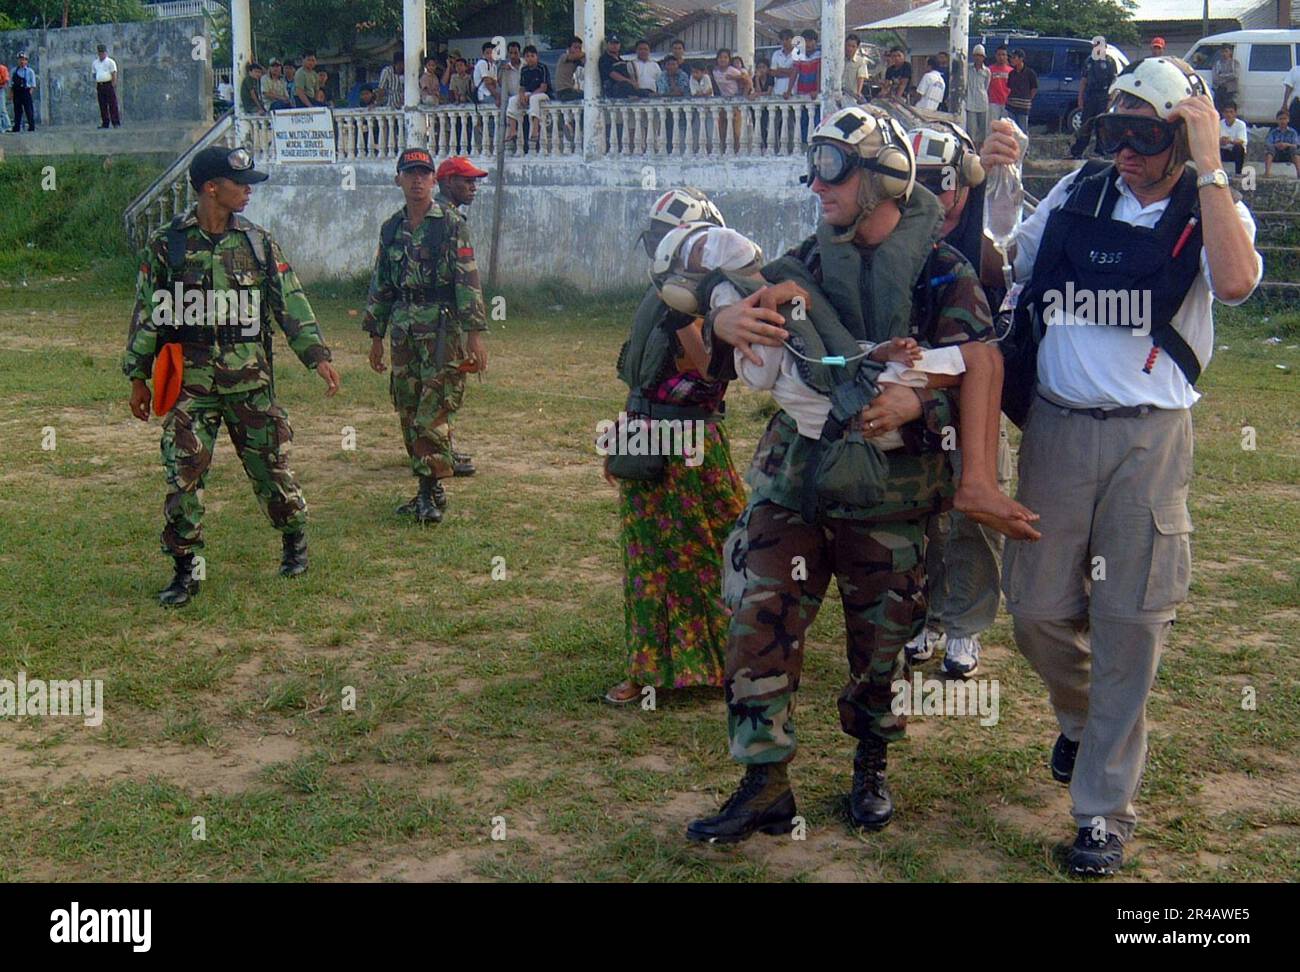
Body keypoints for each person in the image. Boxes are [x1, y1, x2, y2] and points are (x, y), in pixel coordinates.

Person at [980, 57, 1262, 876]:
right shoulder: (1079, 193)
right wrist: (996, 184)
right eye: (1114, 134)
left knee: (1130, 624)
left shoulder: (1209, 204)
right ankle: (1083, 723)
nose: (1126, 152)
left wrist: (1210, 165)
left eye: (1143, 136)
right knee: (1034, 608)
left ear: (1180, 133)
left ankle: (1102, 809)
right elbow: (1007, 264)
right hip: (1060, 430)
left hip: (1151, 437)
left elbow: (1238, 283)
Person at [685, 106, 998, 843]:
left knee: (880, 644)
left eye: (835, 169)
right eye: (814, 167)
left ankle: (871, 763)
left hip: (891, 491)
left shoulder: (943, 273)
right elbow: (730, 314)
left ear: (885, 177)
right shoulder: (806, 263)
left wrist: (915, 404)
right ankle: (765, 783)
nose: (816, 185)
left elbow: (977, 380)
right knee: (757, 614)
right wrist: (721, 323)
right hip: (795, 475)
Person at [123, 146, 341, 606]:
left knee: (271, 468)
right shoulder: (169, 244)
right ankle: (186, 569)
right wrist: (139, 376)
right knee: (183, 472)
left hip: (249, 381)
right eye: (239, 182)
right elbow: (148, 312)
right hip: (191, 384)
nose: (248, 190)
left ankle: (294, 541)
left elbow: (289, 301)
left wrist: (317, 355)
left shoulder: (258, 242)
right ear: (210, 188)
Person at [602, 190, 746, 706]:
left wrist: (696, 317)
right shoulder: (662, 297)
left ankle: (727, 658)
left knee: (701, 554)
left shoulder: (702, 302)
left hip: (688, 444)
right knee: (658, 560)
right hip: (657, 435)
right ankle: (661, 666)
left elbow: (709, 368)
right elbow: (642, 380)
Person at [905, 122, 1027, 676]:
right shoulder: (895, 239)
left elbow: (1008, 231)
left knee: (971, 514)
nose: (928, 194)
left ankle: (966, 626)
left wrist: (1003, 173)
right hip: (915, 392)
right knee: (916, 512)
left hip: (972, 394)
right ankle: (922, 618)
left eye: (939, 181)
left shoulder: (983, 239)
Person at [363, 152, 489, 524]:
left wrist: (475, 336)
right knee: (407, 405)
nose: (417, 181)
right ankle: (430, 488)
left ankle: (427, 492)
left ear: (433, 180)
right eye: (409, 174)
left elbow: (468, 280)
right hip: (403, 327)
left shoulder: (450, 224)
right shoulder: (391, 228)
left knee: (433, 408)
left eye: (423, 174)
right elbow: (381, 282)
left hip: (441, 328)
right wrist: (375, 333)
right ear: (398, 179)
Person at [1070, 36, 1117, 159]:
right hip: (1090, 96)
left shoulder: (1110, 62)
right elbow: (1083, 81)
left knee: (1101, 125)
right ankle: (1077, 151)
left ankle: (1100, 151)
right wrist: (1080, 98)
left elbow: (1114, 83)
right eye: (1095, 46)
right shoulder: (1089, 61)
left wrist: (1110, 100)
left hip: (1103, 96)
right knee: (1085, 124)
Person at [507, 45, 551, 152]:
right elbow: (522, 87)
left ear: (537, 57)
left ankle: (535, 129)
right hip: (528, 93)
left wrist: (530, 96)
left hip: (542, 94)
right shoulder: (524, 69)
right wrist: (522, 96)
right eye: (527, 56)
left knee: (534, 99)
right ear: (524, 58)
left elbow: (543, 87)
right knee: (512, 100)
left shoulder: (542, 67)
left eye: (532, 56)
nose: (530, 58)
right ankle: (512, 130)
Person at [1006, 49, 1036, 134]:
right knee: (1012, 131)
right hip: (1011, 106)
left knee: (1022, 131)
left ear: (1021, 59)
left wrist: (1028, 99)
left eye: (1014, 57)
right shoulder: (1011, 73)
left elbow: (1034, 88)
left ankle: (1023, 147)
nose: (1011, 60)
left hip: (1023, 107)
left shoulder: (1030, 73)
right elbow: (1009, 87)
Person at [599, 34, 638, 99]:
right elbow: (613, 74)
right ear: (607, 45)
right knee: (624, 85)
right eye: (612, 43)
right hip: (613, 89)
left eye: (617, 43)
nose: (614, 46)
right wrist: (630, 82)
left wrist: (634, 83)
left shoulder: (621, 60)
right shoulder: (604, 59)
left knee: (646, 92)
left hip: (626, 87)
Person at [1265, 109, 1300, 177]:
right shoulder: (1273, 132)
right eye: (1280, 119)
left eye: (1284, 119)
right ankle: (1267, 172)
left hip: (1289, 155)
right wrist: (1277, 145)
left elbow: (1296, 145)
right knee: (1269, 150)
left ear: (1288, 120)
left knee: (1295, 151)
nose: (1282, 121)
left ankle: (1299, 172)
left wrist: (1286, 145)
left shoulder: (1293, 132)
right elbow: (1268, 144)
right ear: (1277, 120)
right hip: (1276, 154)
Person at [93, 44, 121, 128]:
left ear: (106, 53)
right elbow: (94, 73)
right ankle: (105, 123)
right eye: (100, 53)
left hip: (108, 84)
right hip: (100, 84)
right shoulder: (95, 63)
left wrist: (113, 84)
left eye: (103, 53)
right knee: (102, 105)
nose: (101, 54)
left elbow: (114, 74)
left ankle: (115, 122)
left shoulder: (110, 62)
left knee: (112, 104)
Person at [966, 45, 990, 143]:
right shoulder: (968, 68)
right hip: (970, 103)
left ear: (983, 57)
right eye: (976, 55)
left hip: (983, 103)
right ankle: (973, 151)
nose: (978, 57)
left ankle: (981, 152)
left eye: (980, 55)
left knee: (983, 130)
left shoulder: (987, 71)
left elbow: (986, 86)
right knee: (971, 130)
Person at [1218, 101, 1247, 175]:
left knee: (1239, 148)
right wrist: (1220, 141)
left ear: (1235, 113)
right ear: (1223, 113)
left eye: (1231, 112)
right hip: (1223, 150)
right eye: (1226, 112)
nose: (1229, 114)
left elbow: (1241, 141)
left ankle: (1238, 173)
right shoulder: (1218, 124)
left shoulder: (1241, 125)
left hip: (1234, 151)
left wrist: (1230, 141)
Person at [553, 36, 584, 102]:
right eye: (575, 47)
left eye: (580, 48)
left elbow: (585, 63)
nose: (578, 50)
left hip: (570, 90)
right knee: (588, 95)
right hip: (563, 92)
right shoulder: (564, 57)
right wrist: (588, 53)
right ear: (569, 48)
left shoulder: (576, 61)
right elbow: (576, 56)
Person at [1212, 45, 1240, 114]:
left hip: (1230, 91)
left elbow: (1235, 75)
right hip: (1219, 90)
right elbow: (1215, 77)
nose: (1224, 54)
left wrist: (1222, 76)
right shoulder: (1217, 64)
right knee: (1218, 110)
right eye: (1222, 52)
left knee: (1229, 110)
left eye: (1226, 51)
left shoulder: (1235, 63)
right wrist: (1227, 77)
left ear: (1230, 52)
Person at [987, 45, 1011, 122]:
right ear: (996, 56)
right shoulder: (989, 70)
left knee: (1005, 128)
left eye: (1003, 54)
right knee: (993, 126)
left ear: (1007, 56)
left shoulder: (1011, 71)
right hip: (993, 103)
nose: (1001, 57)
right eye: (999, 54)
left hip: (1007, 103)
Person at [842, 34, 868, 101]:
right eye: (848, 45)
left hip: (852, 96)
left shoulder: (861, 61)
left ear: (857, 47)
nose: (850, 49)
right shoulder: (840, 60)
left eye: (853, 46)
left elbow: (861, 77)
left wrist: (858, 92)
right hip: (839, 94)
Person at [1282, 55, 1300, 133]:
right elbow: (1288, 87)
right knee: (1294, 128)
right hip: (1297, 104)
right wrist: (1285, 104)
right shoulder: (1295, 70)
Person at [0, 60, 10, 132]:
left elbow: (6, 80)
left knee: (2, 109)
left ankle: (7, 126)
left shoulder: (2, 68)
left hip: (0, 89)